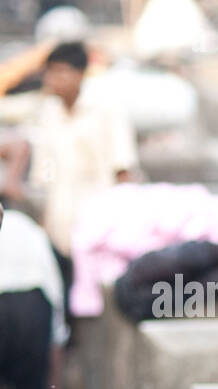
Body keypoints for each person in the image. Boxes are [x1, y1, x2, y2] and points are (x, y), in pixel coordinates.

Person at [0, 41, 138, 315]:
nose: (53, 80)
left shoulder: (106, 111)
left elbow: (123, 171)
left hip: (97, 229)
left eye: (61, 72)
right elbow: (44, 173)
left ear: (80, 74)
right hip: (59, 229)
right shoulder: (48, 111)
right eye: (50, 72)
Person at [0, 204, 66, 389]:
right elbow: (55, 297)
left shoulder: (26, 228)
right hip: (34, 307)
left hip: (15, 303)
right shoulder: (31, 229)